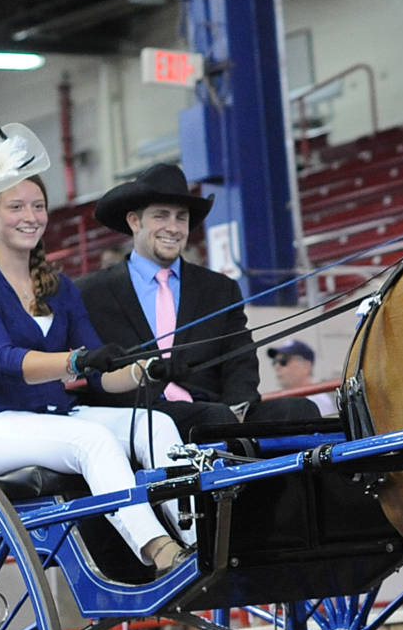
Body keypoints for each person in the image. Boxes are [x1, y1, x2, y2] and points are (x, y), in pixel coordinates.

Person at [0, 123, 190, 575]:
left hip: (58, 415)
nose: (31, 216)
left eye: (38, 206)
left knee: (156, 425)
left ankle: (196, 541)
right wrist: (74, 361)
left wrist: (145, 370)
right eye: (16, 206)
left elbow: (101, 371)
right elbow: (3, 360)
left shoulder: (58, 285)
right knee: (93, 440)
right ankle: (157, 549)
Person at [76, 163, 315, 432]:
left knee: (301, 411)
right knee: (212, 418)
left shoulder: (220, 288)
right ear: (134, 221)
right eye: (161, 216)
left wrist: (238, 409)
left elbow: (240, 360)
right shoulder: (90, 293)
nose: (173, 228)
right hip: (139, 419)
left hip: (215, 413)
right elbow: (90, 371)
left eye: (181, 218)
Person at [266, 338, 339, 417]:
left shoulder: (317, 401)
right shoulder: (279, 402)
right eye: (274, 362)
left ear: (306, 365)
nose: (277, 366)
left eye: (283, 360)